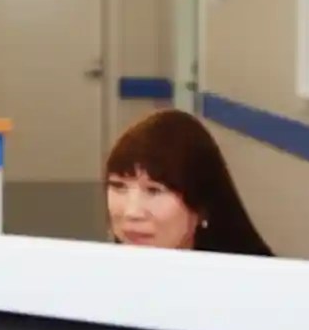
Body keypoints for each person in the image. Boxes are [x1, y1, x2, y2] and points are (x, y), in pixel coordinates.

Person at [105, 108, 273, 256]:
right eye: (118, 186)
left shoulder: (259, 285)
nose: (131, 212)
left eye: (154, 190)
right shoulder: (94, 277)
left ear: (202, 208)